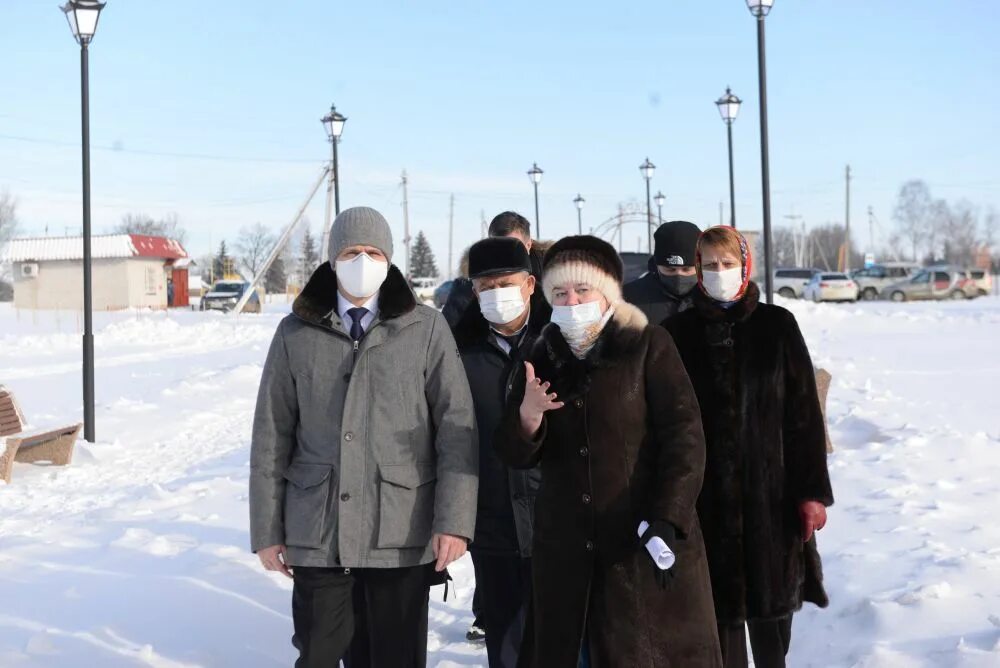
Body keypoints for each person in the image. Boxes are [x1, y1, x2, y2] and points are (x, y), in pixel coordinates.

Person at [249, 206, 479, 668]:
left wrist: (454, 521)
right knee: (318, 655)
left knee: (396, 657)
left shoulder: (425, 327)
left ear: (389, 260)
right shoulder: (295, 331)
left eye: (373, 252)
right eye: (351, 251)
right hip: (319, 531)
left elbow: (456, 429)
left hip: (399, 529)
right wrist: (267, 530)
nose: (362, 261)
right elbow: (272, 434)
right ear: (333, 259)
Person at [494, 235, 722, 667]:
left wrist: (668, 516)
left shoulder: (648, 345)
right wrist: (528, 416)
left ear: (608, 293)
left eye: (582, 289)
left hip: (639, 544)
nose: (571, 301)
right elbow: (514, 454)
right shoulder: (538, 355)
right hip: (565, 554)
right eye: (560, 292)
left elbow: (685, 439)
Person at [662, 225, 834, 668]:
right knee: (719, 625)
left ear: (745, 267)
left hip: (771, 501)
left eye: (728, 263)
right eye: (710, 264)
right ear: (698, 270)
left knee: (774, 624)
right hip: (705, 503)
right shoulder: (676, 333)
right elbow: (662, 421)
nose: (719, 272)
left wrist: (812, 493)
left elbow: (803, 416)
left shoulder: (777, 326)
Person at [453, 237, 547, 667]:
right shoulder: (458, 351)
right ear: (474, 292)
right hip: (492, 519)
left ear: (529, 285)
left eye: (506, 284)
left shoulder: (557, 342)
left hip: (555, 519)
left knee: (559, 641)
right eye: (486, 287)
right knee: (506, 645)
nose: (497, 295)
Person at [442, 211, 550, 328]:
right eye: (497, 248)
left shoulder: (553, 279)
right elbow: (446, 331)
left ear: (528, 245)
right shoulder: (468, 286)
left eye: (513, 248)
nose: (504, 256)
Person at [622, 220, 701, 324]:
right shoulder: (629, 297)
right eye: (670, 269)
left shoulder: (714, 297)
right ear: (656, 265)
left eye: (686, 269)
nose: (679, 275)